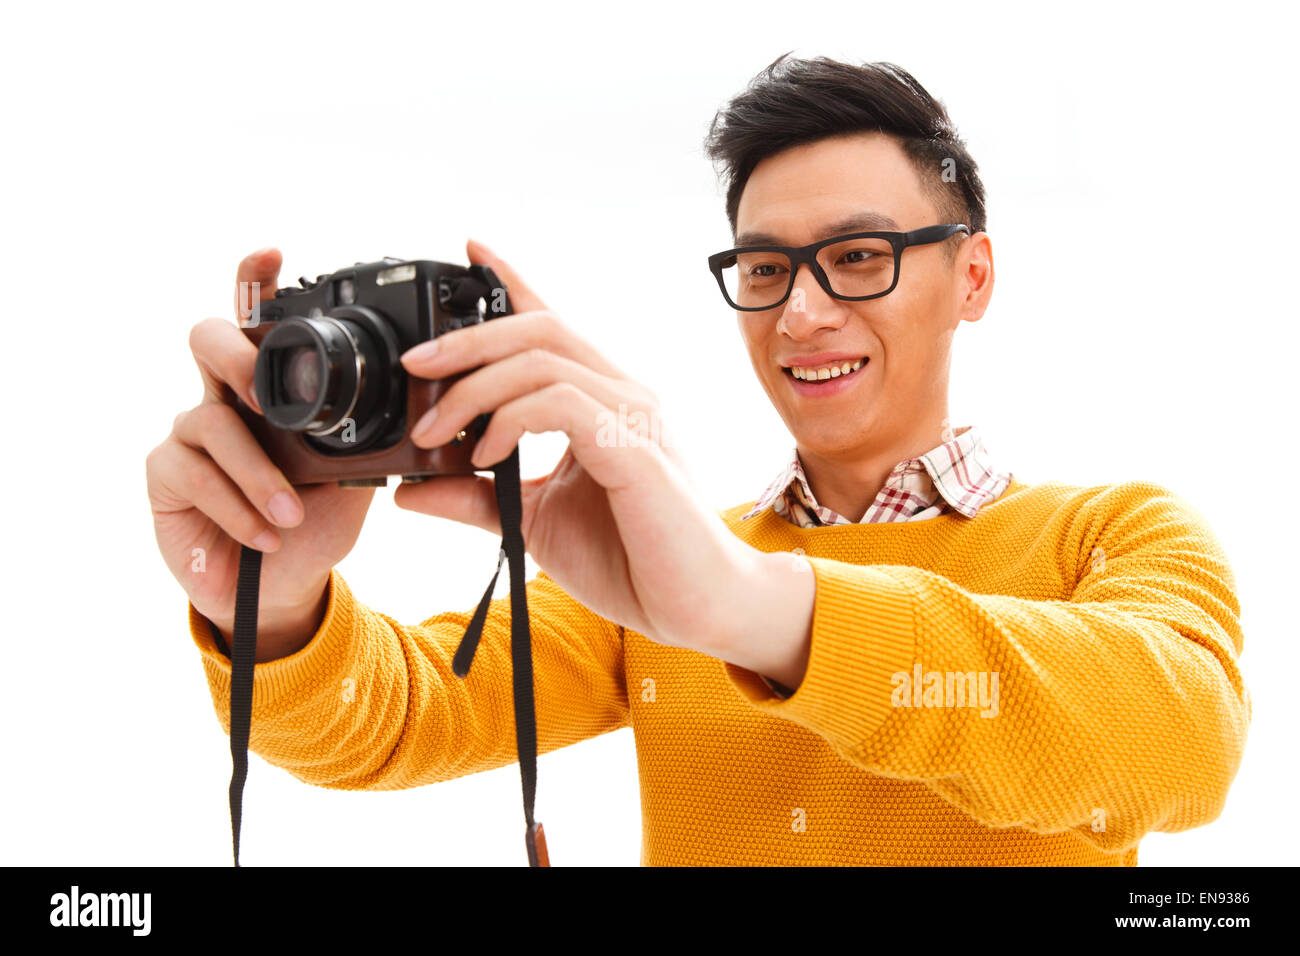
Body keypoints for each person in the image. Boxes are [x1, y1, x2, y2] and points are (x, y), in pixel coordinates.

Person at [146, 55, 1250, 866]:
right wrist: (278, 597)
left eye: (858, 257)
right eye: (765, 270)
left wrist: (750, 607)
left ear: (972, 277)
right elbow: (391, 721)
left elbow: (1182, 747)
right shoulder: (664, 568)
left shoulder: (1115, 533)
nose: (802, 311)